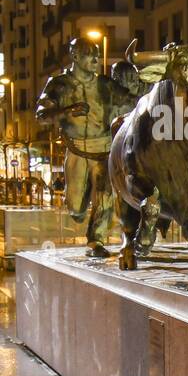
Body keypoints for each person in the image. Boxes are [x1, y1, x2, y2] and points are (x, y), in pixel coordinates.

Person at [36, 37, 134, 256]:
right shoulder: (59, 85)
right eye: (90, 54)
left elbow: (132, 101)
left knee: (105, 196)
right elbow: (41, 114)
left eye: (97, 54)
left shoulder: (106, 85)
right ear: (75, 56)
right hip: (77, 151)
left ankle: (95, 242)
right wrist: (65, 111)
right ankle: (78, 209)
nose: (96, 59)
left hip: (104, 151)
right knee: (76, 208)